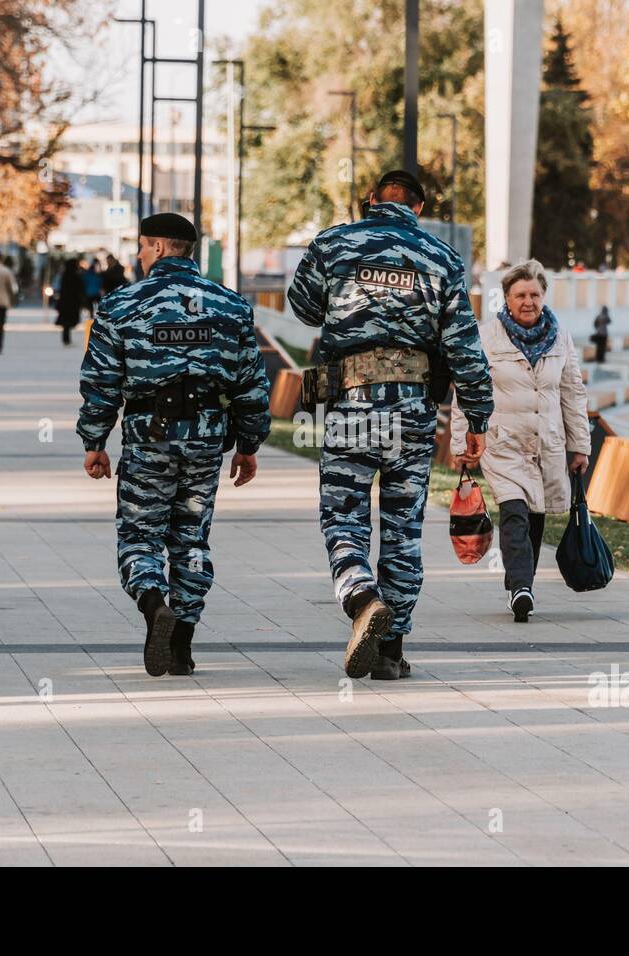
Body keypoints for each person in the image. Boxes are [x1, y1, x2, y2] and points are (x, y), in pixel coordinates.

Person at [288, 169, 493, 680]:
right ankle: (391, 650)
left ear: (371, 199)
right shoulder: (442, 259)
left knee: (343, 516)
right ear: (419, 208)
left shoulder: (333, 243)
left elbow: (303, 307)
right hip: (413, 411)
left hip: (351, 404)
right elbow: (465, 350)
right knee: (403, 530)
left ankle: (360, 599)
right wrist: (478, 419)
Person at [77, 212, 271, 677]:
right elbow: (251, 383)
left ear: (160, 248)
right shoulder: (231, 306)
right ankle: (181, 643)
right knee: (191, 537)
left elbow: (100, 381)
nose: (139, 255)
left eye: (143, 247)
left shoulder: (120, 304)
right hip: (206, 438)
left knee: (140, 534)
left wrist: (95, 439)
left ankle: (152, 605)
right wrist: (248, 442)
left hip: (149, 436)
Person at [451, 259, 590, 623]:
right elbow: (467, 390)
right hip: (503, 441)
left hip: (546, 443)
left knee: (535, 514)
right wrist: (459, 444)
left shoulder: (560, 337)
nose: (528, 301)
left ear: (543, 296)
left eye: (534, 294)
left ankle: (522, 583)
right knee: (514, 510)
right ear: (507, 299)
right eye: (520, 295)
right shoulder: (486, 335)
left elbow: (572, 393)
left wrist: (580, 446)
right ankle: (520, 588)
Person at [54, 259, 87, 346]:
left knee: (66, 322)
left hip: (66, 302)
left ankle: (66, 339)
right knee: (68, 321)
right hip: (72, 302)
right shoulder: (75, 275)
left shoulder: (64, 275)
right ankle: (66, 340)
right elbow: (80, 288)